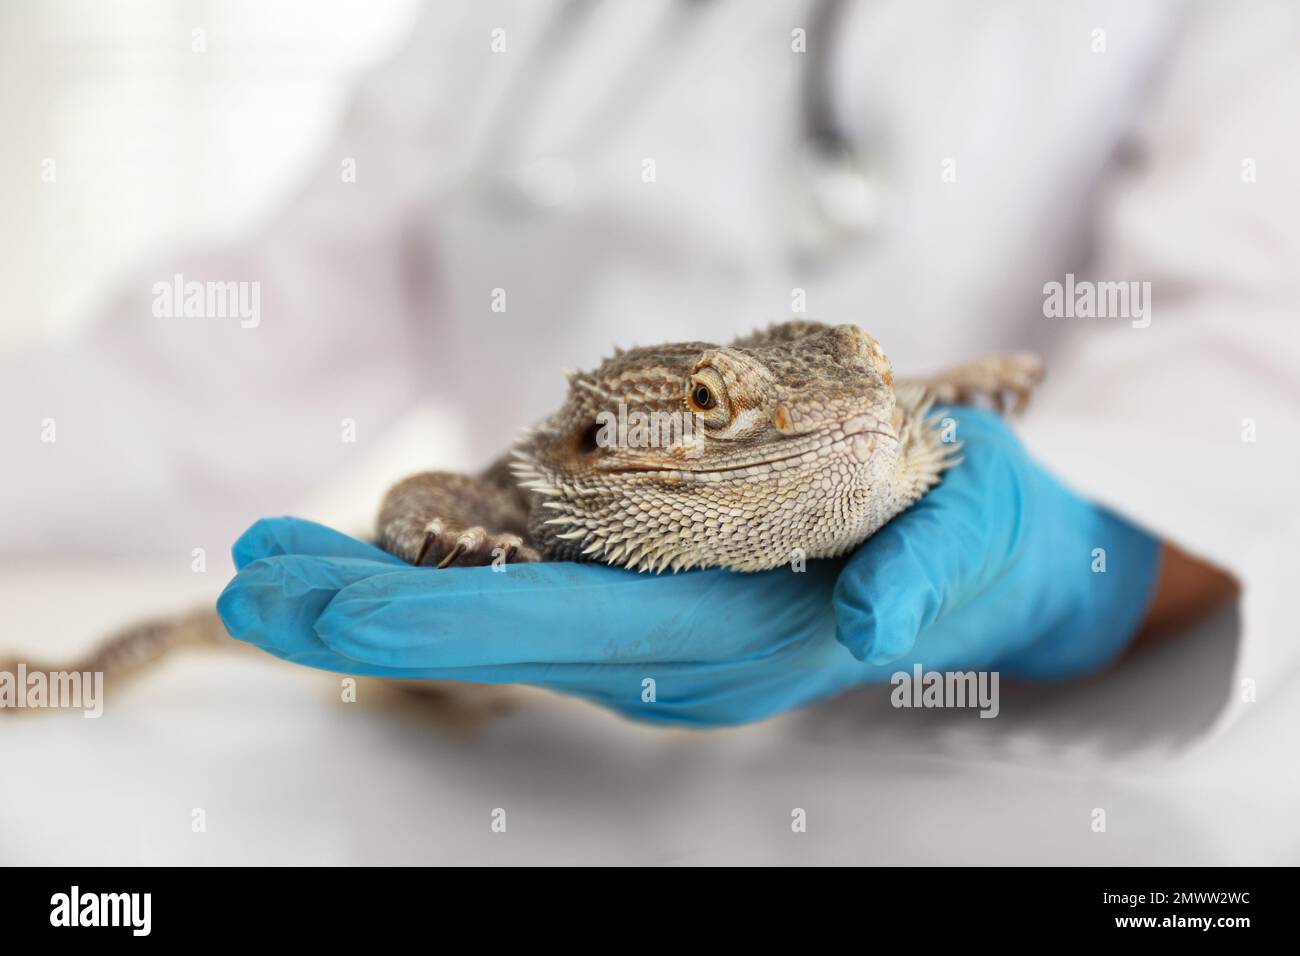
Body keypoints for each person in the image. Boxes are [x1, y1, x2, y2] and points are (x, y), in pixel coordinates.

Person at [5, 1, 1295, 728]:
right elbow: (201, 372)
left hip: (1011, 764)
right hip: (510, 771)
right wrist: (450, 544)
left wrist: (1063, 562)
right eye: (712, 411)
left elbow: (1242, 395)